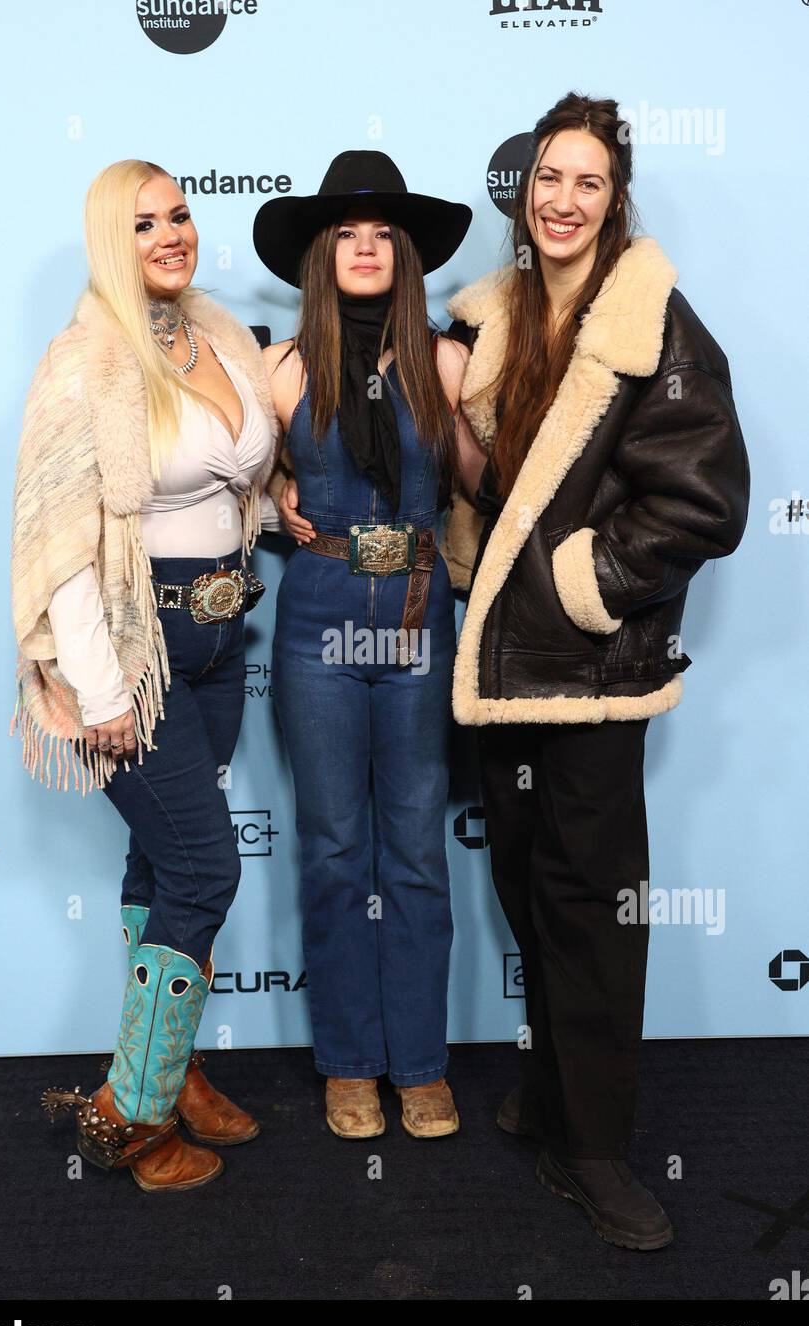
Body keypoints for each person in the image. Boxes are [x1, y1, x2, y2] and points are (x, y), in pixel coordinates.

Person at [444, 94, 750, 1248]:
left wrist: (581, 584)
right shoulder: (507, 317)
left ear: (614, 196)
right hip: (504, 669)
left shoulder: (653, 325)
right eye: (547, 180)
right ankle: (551, 1102)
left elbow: (702, 501)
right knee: (526, 891)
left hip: (586, 672)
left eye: (586, 182)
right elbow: (501, 487)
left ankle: (598, 1151)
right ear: (524, 196)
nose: (563, 200)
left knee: (593, 914)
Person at [10, 160, 279, 1191]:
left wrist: (280, 506)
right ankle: (131, 1110)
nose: (170, 234)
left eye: (178, 213)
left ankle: (182, 1073)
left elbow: (239, 477)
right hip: (133, 647)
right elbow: (63, 541)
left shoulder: (218, 337)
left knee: (162, 867)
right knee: (207, 870)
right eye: (142, 223)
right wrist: (102, 686)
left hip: (218, 646)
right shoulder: (87, 359)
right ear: (105, 242)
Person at [252, 150, 480, 1139]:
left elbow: (492, 483)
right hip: (315, 619)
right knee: (336, 846)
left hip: (418, 613)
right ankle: (349, 1063)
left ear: (406, 255)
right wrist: (272, 495)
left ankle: (420, 1065)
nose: (362, 247)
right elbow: (227, 474)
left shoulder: (444, 360)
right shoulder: (284, 368)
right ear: (317, 255)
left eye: (381, 233)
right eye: (344, 233)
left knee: (418, 852)